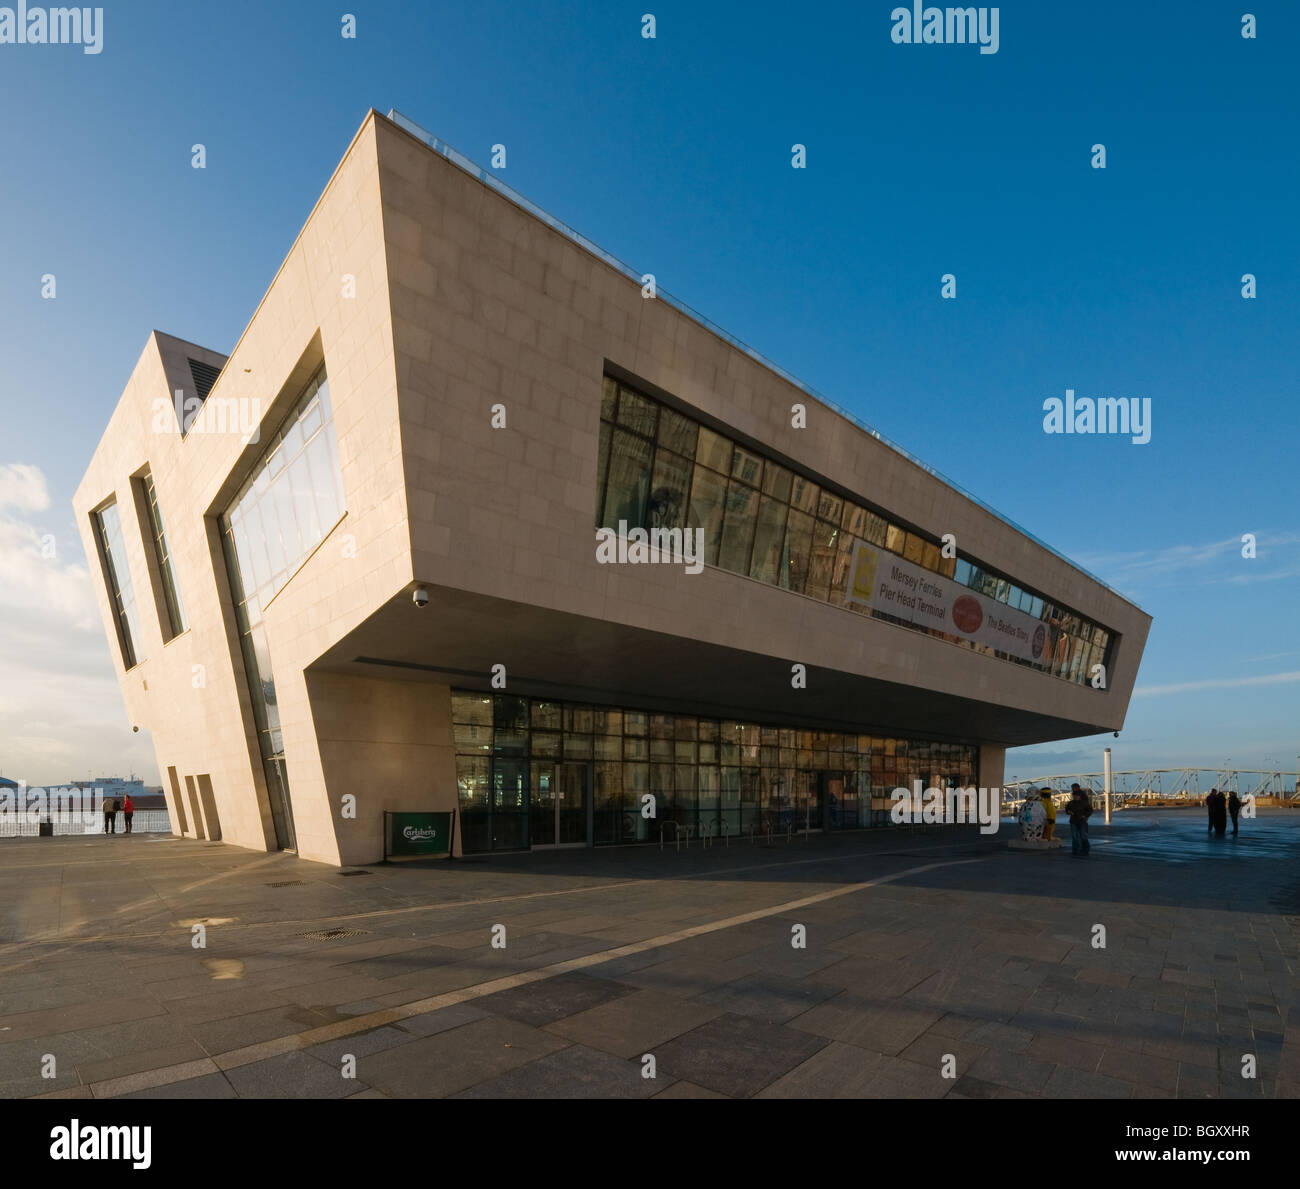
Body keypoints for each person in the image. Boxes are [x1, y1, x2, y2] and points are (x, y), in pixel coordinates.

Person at [1066, 783, 1092, 855]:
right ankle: (1077, 850)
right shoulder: (1071, 803)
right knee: (1076, 836)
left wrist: (1085, 816)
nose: (1075, 797)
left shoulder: (1083, 800)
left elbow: (1089, 809)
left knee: (1082, 836)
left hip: (1081, 820)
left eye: (1073, 788)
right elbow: (1067, 809)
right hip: (1074, 820)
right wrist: (1069, 812)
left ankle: (1083, 849)